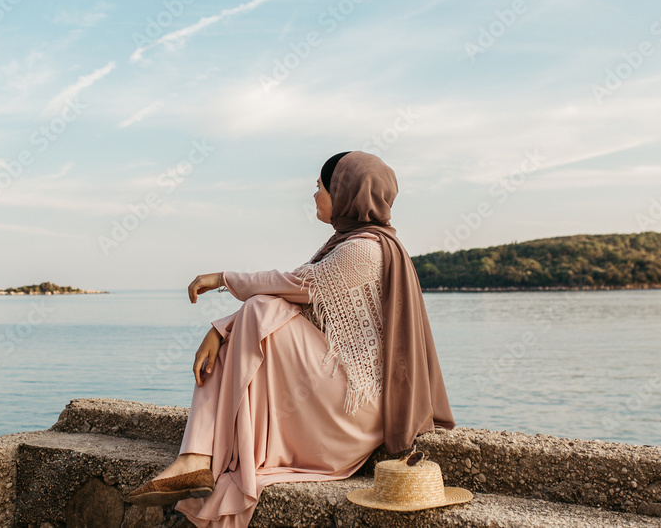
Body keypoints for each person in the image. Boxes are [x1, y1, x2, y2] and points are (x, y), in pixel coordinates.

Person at [124, 150, 455, 527]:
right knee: (261, 311)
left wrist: (221, 282)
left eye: (320, 187)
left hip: (353, 417)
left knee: (261, 308)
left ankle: (198, 457)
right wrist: (222, 329)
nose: (314, 195)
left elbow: (287, 287)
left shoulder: (364, 251)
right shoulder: (347, 245)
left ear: (345, 193)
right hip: (336, 398)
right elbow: (288, 300)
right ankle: (194, 459)